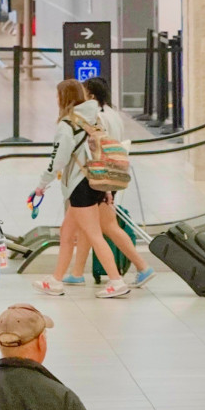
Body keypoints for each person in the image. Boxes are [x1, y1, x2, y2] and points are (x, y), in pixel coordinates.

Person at [33, 79, 152, 300]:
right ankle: (56, 280)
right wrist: (106, 190)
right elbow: (99, 153)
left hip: (80, 186)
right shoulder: (94, 119)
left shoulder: (68, 125)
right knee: (67, 233)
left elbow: (58, 159)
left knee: (94, 235)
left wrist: (41, 185)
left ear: (64, 98)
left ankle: (116, 281)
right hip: (95, 181)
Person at [59, 76, 144, 283]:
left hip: (96, 176)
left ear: (91, 95)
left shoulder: (95, 117)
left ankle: (141, 268)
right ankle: (77, 273)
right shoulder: (114, 114)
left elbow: (90, 148)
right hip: (111, 173)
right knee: (90, 227)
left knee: (104, 227)